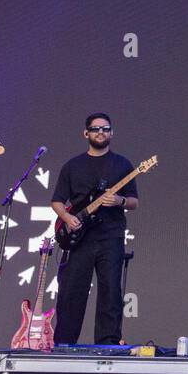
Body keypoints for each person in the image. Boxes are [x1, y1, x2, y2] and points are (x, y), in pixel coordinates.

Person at [50, 112, 139, 345]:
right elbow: (57, 201)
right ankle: (64, 343)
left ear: (112, 133)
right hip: (79, 238)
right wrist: (68, 218)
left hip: (111, 237)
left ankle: (108, 343)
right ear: (86, 133)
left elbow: (134, 201)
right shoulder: (72, 166)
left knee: (111, 291)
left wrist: (119, 201)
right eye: (96, 128)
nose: (101, 132)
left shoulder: (122, 165)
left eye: (106, 129)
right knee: (72, 292)